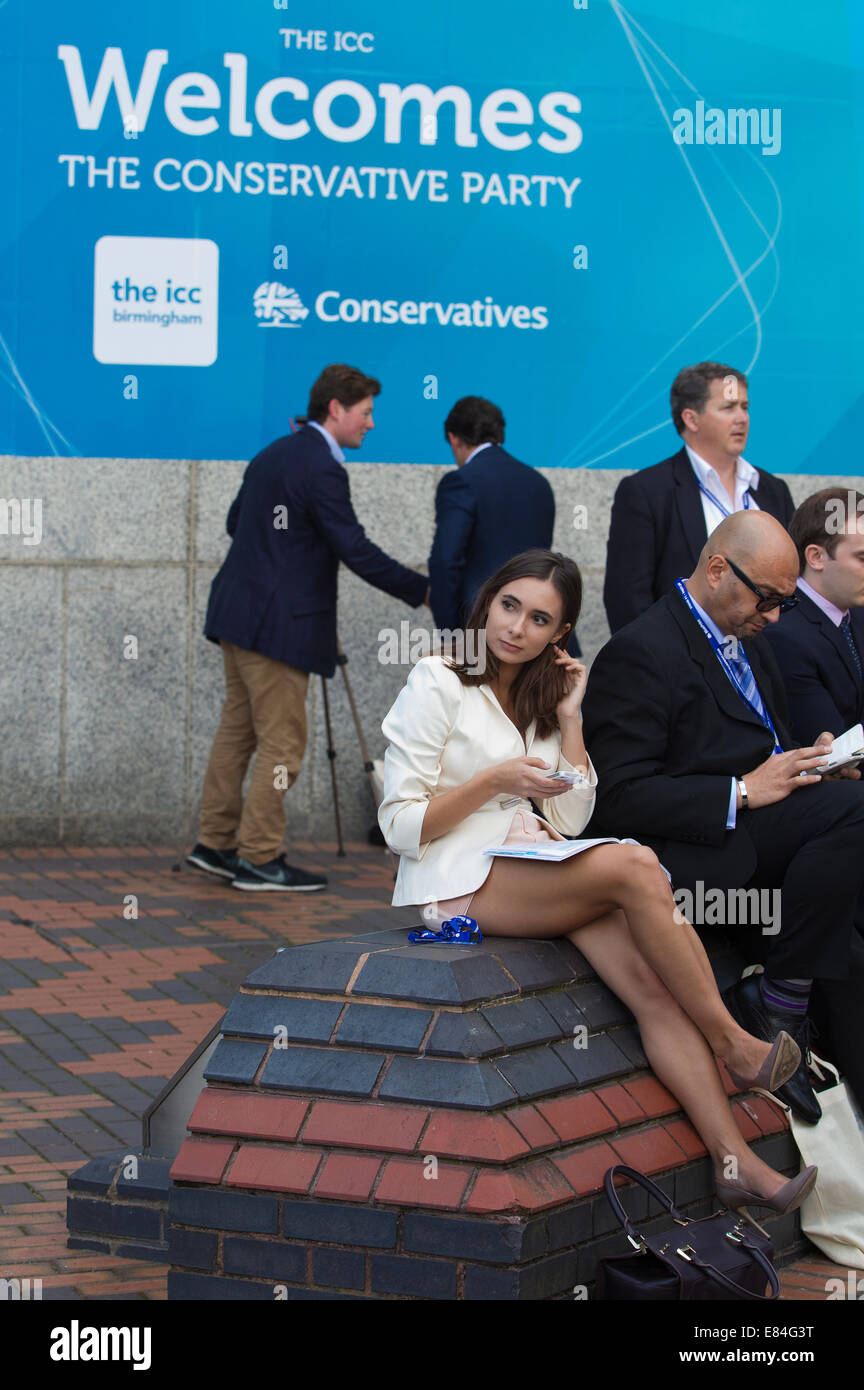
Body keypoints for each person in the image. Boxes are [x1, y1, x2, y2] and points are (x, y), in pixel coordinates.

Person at [378, 548, 815, 1229]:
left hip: (537, 861)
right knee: (636, 865)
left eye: (540, 619)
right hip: (453, 878)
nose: (517, 628)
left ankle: (737, 1165)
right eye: (509, 606)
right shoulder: (438, 679)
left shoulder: (542, 694)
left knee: (653, 986)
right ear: (488, 602)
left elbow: (574, 817)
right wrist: (493, 782)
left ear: (560, 634)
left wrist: (573, 717)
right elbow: (400, 826)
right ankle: (733, 1041)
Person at [583, 510, 864, 1121]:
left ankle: (831, 1095)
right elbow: (617, 798)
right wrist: (739, 792)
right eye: (766, 599)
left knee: (851, 941)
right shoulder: (639, 651)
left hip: (771, 839)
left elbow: (766, 753)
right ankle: (778, 999)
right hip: (704, 860)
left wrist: (812, 764)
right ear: (716, 570)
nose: (772, 616)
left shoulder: (751, 644)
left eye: (784, 604)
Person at [188, 363, 429, 892]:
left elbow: (237, 524)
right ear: (336, 410)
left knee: (237, 734)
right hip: (277, 628)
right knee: (282, 744)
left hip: (235, 616)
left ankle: (215, 844)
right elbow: (354, 548)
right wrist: (424, 590)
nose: (371, 424)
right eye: (365, 413)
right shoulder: (322, 467)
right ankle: (257, 858)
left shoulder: (274, 452)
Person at [603, 362, 795, 633]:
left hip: (766, 663)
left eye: (745, 407)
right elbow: (627, 600)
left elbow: (791, 587)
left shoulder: (773, 490)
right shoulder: (646, 491)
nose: (742, 418)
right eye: (728, 408)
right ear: (691, 419)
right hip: (680, 665)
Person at [428, 396, 556, 633]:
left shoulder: (460, 481)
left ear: (453, 438)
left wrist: (451, 630)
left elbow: (446, 561)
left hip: (485, 627)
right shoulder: (539, 483)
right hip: (539, 629)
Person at [763, 488, 864, 743]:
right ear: (816, 557)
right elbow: (837, 749)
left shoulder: (855, 612)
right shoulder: (784, 636)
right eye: (862, 558)